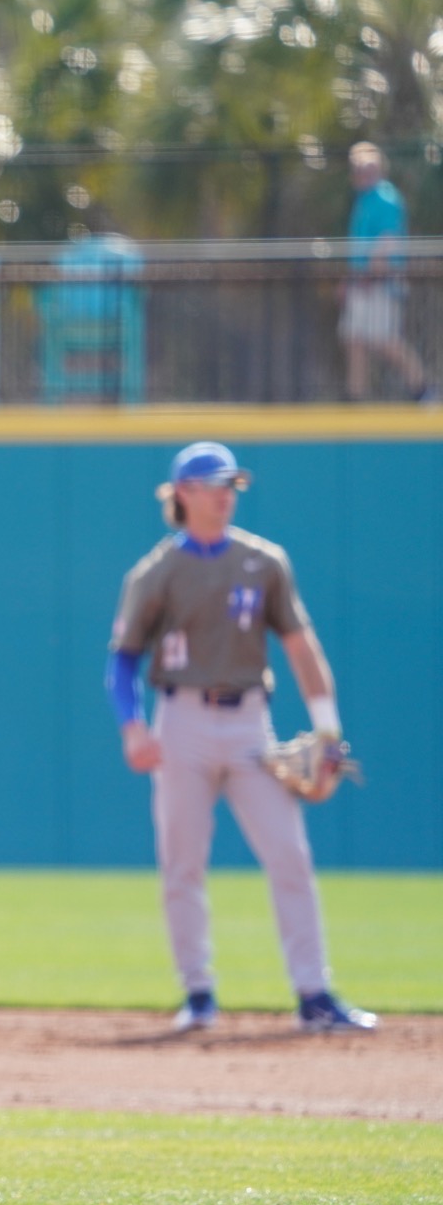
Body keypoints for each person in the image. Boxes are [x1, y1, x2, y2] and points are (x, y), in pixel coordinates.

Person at [107, 441, 375, 1035]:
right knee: (183, 864)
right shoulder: (156, 573)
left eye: (232, 484)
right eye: (214, 484)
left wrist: (328, 729)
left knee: (290, 856)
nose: (226, 494)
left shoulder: (265, 561)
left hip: (251, 720)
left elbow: (301, 647)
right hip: (180, 722)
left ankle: (314, 995)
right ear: (183, 494)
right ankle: (198, 995)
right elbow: (122, 661)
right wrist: (131, 728)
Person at [339, 142, 432, 403]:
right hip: (361, 282)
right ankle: (354, 397)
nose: (361, 173)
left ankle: (422, 388)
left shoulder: (386, 198)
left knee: (385, 340)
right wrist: (349, 279)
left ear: (379, 169)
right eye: (357, 168)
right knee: (354, 338)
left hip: (379, 283)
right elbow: (358, 246)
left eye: (367, 168)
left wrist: (370, 273)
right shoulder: (362, 200)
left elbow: (388, 242)